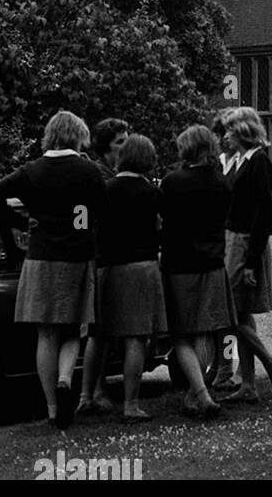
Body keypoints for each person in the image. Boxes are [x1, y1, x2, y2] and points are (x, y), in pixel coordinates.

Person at [0, 110, 105, 429]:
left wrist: (21, 223)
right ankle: (65, 379)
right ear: (77, 136)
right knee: (73, 329)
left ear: (51, 135)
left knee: (46, 334)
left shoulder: (31, 170)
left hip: (39, 258)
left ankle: (51, 408)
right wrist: (82, 224)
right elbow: (99, 213)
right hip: (76, 258)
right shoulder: (89, 171)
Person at [160, 124, 233, 420]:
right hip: (212, 263)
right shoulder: (222, 183)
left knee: (181, 334)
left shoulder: (172, 182)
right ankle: (196, 392)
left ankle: (200, 393)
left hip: (180, 265)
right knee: (205, 330)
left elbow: (164, 219)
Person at [94, 133, 167, 422]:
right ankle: (131, 403)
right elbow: (161, 230)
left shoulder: (105, 189)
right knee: (136, 338)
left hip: (109, 266)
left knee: (102, 334)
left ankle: (91, 393)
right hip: (141, 266)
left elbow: (90, 224)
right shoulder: (153, 193)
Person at [221, 107, 272, 404]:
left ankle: (270, 364)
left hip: (245, 243)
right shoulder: (239, 160)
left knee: (231, 312)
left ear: (243, 132)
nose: (225, 137)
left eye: (229, 131)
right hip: (233, 240)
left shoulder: (259, 161)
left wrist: (251, 262)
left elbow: (263, 214)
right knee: (242, 312)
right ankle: (248, 384)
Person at [78, 116, 129, 415]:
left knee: (104, 330)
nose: (126, 146)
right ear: (106, 147)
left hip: (107, 256)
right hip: (100, 258)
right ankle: (91, 392)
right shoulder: (100, 175)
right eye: (120, 142)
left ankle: (95, 391)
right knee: (98, 330)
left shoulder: (111, 173)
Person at [208, 107, 239, 392]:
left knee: (237, 310)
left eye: (227, 133)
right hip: (219, 238)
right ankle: (221, 364)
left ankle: (231, 367)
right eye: (220, 133)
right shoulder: (218, 163)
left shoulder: (246, 162)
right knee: (220, 310)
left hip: (236, 239)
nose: (223, 139)